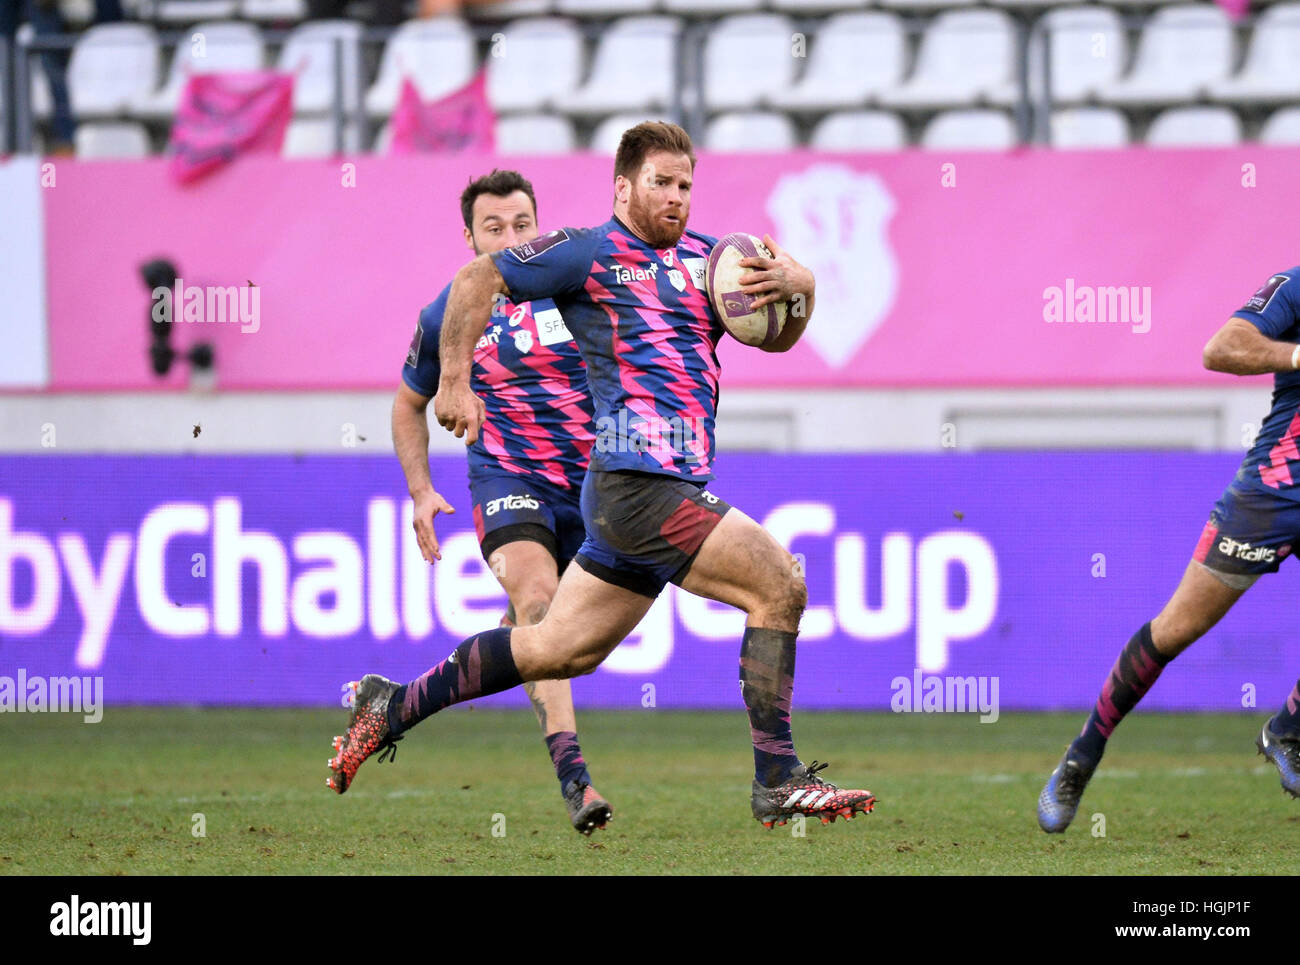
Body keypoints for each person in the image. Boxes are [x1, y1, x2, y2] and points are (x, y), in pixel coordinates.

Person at [328, 121, 875, 829]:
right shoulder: (589, 253)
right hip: (636, 482)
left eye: (685, 184)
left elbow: (779, 333)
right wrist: (456, 380)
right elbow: (478, 277)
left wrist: (800, 287)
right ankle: (776, 775)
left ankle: (390, 704)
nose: (676, 198)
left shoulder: (714, 263)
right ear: (623, 186)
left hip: (638, 493)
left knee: (558, 648)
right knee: (780, 582)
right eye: (661, 183)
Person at [332, 168, 612, 835]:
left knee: (568, 646)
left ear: (539, 224)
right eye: (494, 228)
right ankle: (577, 781)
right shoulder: (449, 314)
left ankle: (390, 704)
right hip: (507, 479)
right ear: (468, 237)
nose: (511, 237)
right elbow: (408, 403)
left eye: (522, 224)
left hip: (596, 486)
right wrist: (422, 490)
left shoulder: (579, 287)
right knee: (537, 605)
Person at [1038, 267, 1300, 833]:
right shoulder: (1294, 286)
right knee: (1176, 629)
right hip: (1274, 493)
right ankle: (1081, 757)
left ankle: (1288, 728)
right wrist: (1298, 357)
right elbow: (1222, 348)